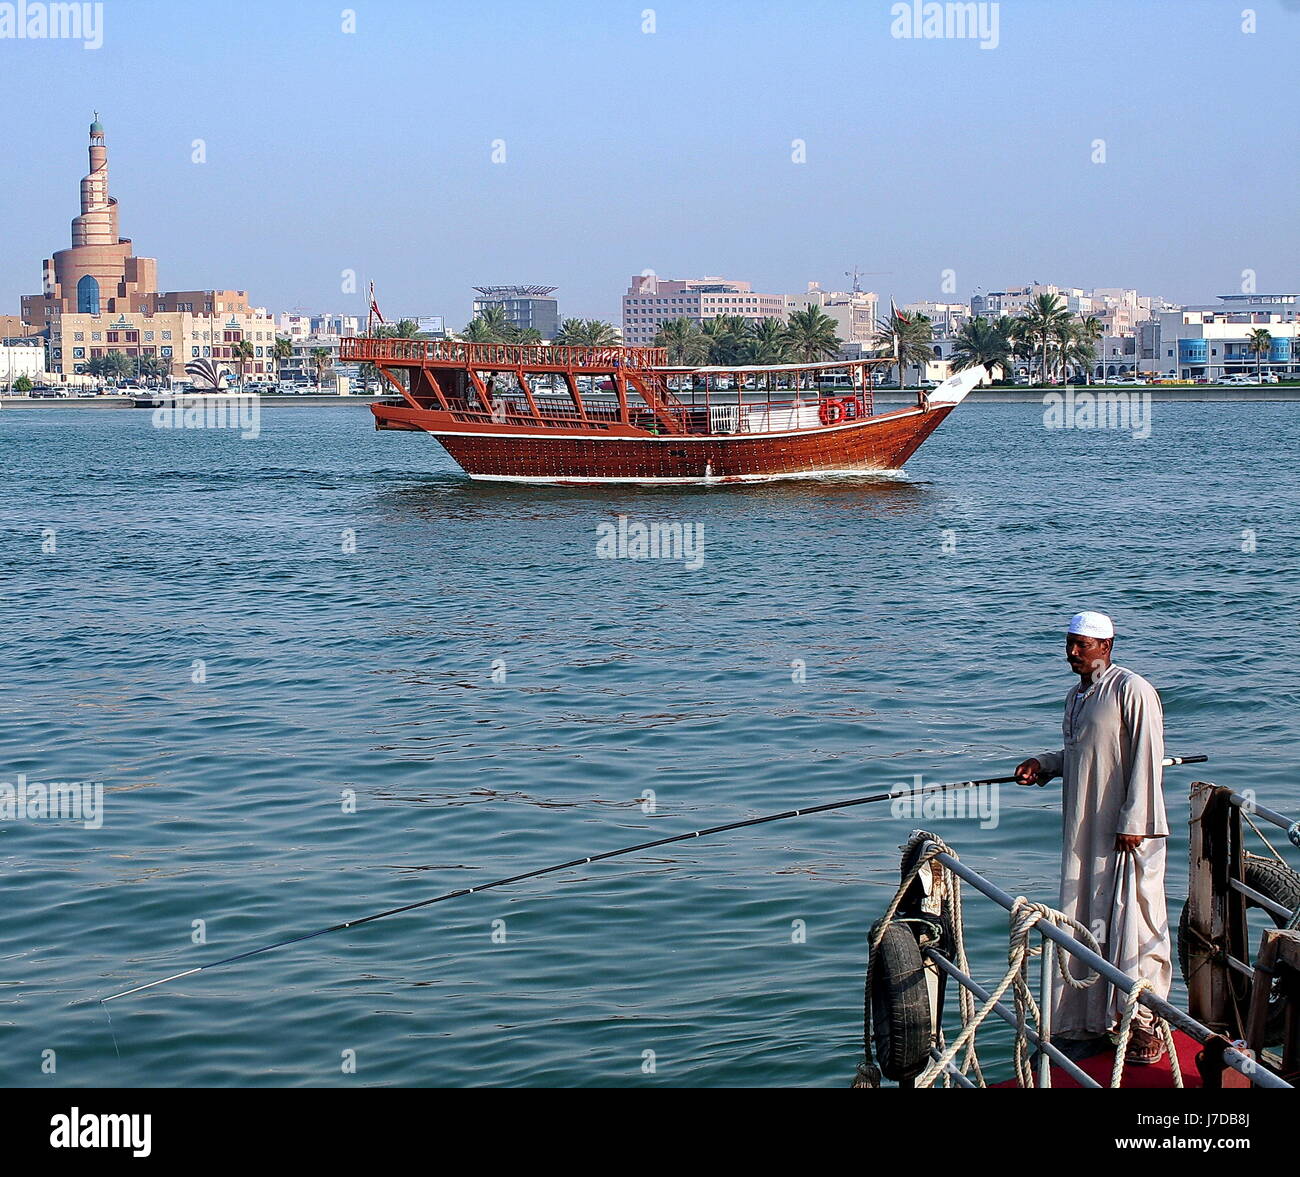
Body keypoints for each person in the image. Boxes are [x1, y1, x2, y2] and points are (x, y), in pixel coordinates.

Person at [1014, 611, 1171, 1065]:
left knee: (1133, 917)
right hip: (1084, 832)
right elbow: (1083, 752)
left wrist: (1135, 820)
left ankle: (1141, 1020)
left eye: (1082, 644)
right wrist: (1043, 763)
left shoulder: (1132, 689)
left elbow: (1147, 756)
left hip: (1127, 833)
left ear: (1107, 645)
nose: (1072, 652)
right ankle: (1087, 1018)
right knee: (1084, 915)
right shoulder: (1077, 696)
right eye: (1069, 643)